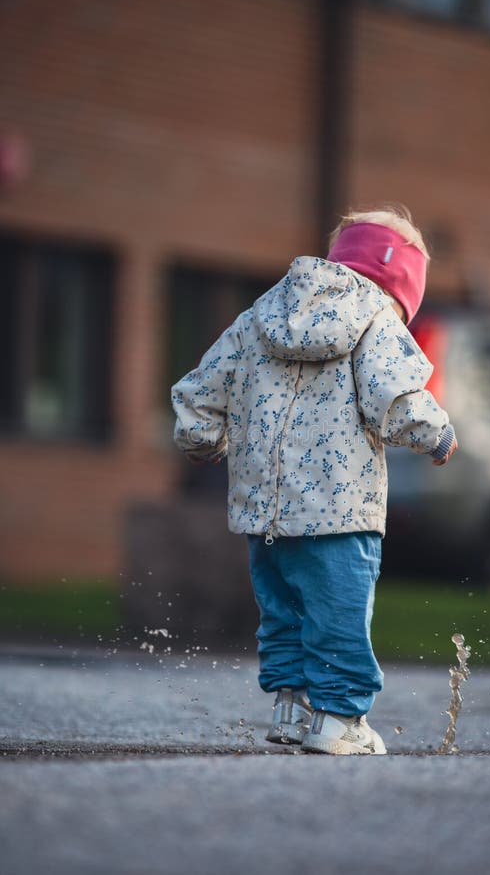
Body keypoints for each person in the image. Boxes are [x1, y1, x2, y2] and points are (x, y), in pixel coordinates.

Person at [171, 206, 457, 755]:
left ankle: (290, 705)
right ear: (400, 284)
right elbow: (396, 394)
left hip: (264, 512)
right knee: (338, 613)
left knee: (283, 610)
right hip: (341, 510)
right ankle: (340, 720)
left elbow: (201, 390)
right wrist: (436, 435)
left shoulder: (262, 312)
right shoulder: (376, 316)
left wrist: (203, 440)